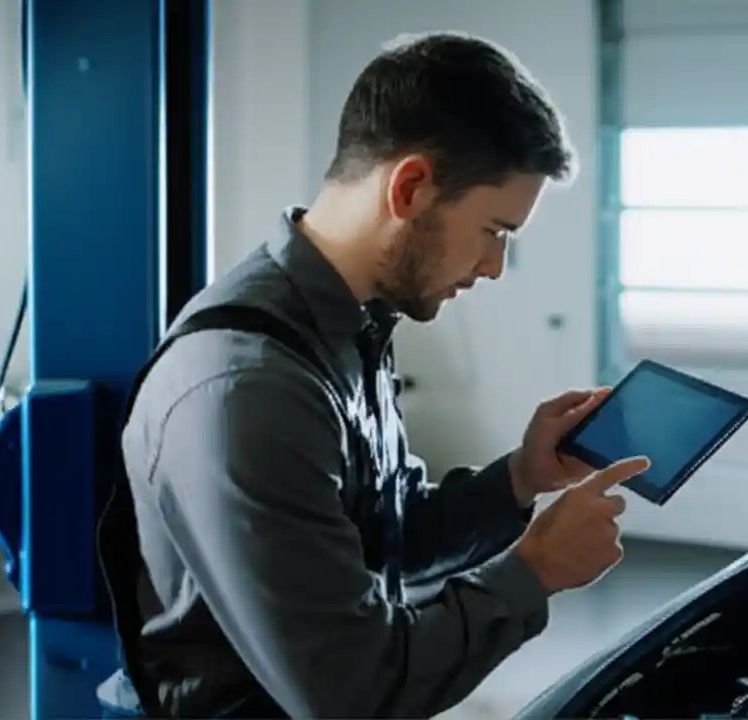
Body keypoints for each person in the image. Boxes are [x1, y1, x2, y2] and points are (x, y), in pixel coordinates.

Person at [105, 30, 650, 719]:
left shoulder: (346, 327)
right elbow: (351, 692)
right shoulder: (249, 388)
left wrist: (520, 476)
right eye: (494, 231)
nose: (492, 268)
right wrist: (533, 571)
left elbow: (377, 541)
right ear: (412, 187)